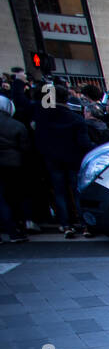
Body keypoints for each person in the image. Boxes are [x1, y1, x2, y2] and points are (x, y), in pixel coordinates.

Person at [32, 83, 94, 238]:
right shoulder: (76, 119)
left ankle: (66, 224)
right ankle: (85, 224)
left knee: (59, 192)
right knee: (77, 192)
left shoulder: (42, 118)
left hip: (52, 160)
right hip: (73, 159)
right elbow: (84, 144)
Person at [0, 96, 31, 243]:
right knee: (14, 198)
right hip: (14, 165)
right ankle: (16, 230)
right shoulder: (16, 125)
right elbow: (25, 147)